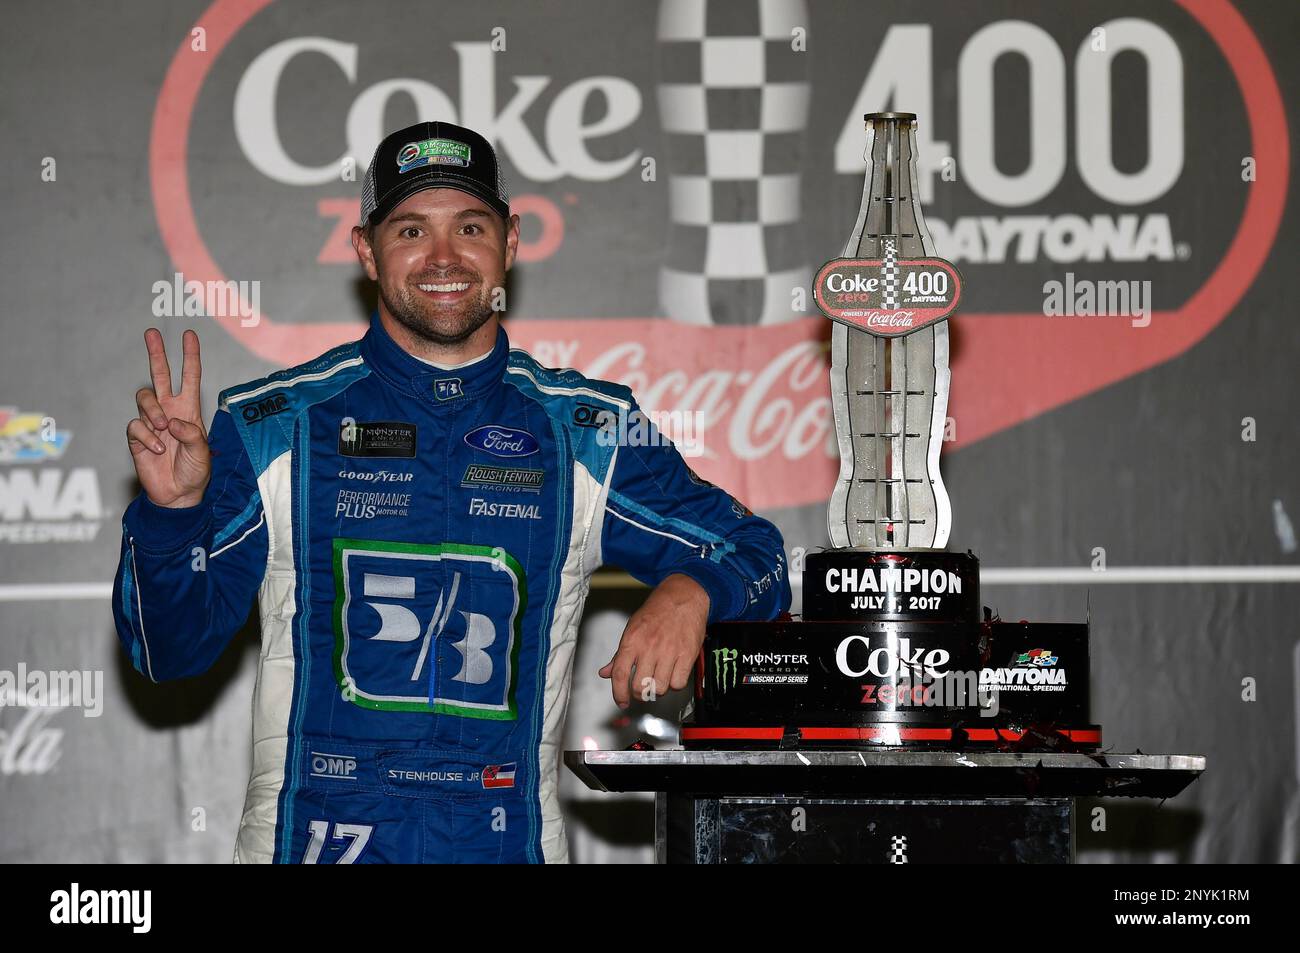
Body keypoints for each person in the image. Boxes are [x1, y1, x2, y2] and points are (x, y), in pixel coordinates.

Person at [111, 121, 791, 863]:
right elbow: (166, 653)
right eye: (411, 229)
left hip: (507, 842)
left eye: (470, 226)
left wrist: (692, 590)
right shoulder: (273, 424)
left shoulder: (588, 428)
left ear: (511, 240)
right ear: (367, 250)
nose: (443, 257)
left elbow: (759, 554)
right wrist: (172, 516)